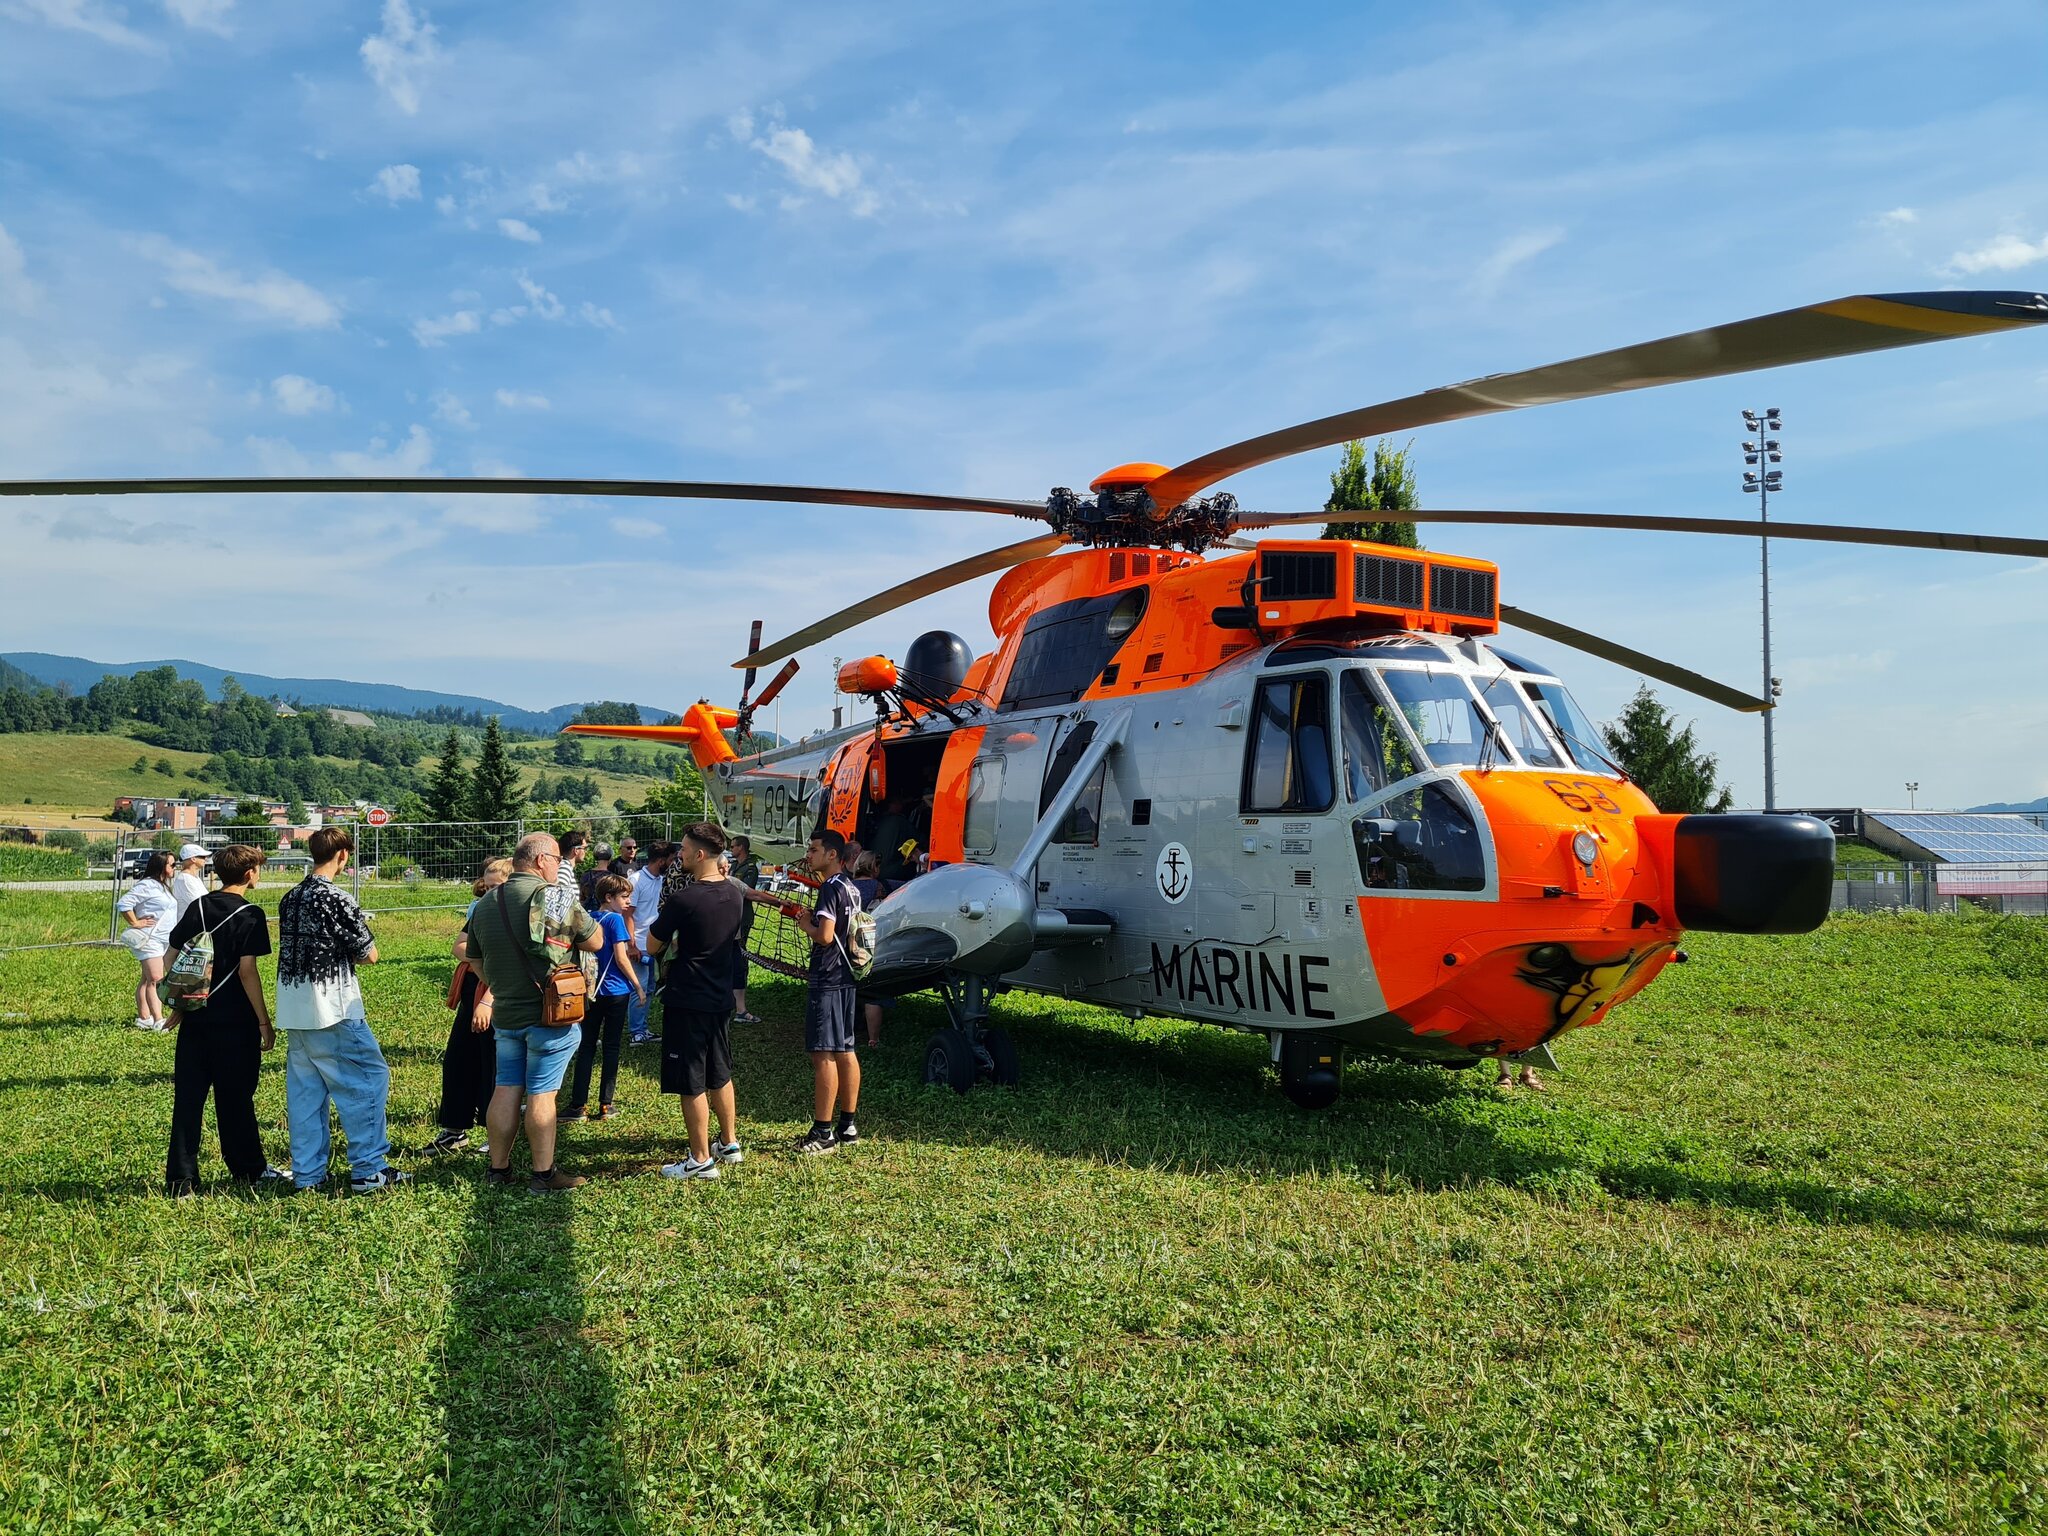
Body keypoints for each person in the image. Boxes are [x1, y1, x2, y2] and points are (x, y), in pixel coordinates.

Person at [463, 832, 604, 1193]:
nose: (560, 867)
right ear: (542, 860)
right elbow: (595, 940)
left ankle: (498, 1169)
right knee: (542, 1094)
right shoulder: (555, 897)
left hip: (506, 1015)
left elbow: (472, 956)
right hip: (550, 1016)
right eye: (558, 860)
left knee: (506, 1088)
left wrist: (497, 982)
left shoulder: (485, 904)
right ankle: (543, 1175)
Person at [275, 826, 408, 1195]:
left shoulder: (290, 897)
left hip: (294, 1005)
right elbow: (369, 954)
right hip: (331, 1004)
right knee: (368, 1078)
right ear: (343, 855)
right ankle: (368, 1169)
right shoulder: (337, 898)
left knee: (306, 1094)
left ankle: (308, 1174)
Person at [163, 844, 286, 1194]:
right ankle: (248, 1169)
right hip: (236, 1021)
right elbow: (247, 971)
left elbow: (171, 956)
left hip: (196, 1018)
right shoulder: (251, 914)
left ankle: (181, 1180)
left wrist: (180, 1003)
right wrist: (264, 1021)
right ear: (250, 874)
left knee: (189, 1100)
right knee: (235, 1099)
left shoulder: (199, 906)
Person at [647, 822, 746, 1179]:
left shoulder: (684, 898)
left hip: (688, 998)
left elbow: (652, 945)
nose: (680, 855)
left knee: (691, 1081)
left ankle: (700, 1159)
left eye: (685, 850)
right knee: (720, 1073)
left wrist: (676, 941)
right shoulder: (734, 894)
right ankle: (729, 1143)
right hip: (720, 998)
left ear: (700, 855)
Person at [775, 828, 862, 1155]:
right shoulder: (851, 887)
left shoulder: (829, 887)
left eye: (813, 850)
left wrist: (804, 922)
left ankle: (823, 1131)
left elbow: (824, 936)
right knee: (845, 1049)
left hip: (827, 977)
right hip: (847, 975)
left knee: (822, 1052)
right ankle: (848, 1125)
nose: (808, 856)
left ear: (832, 855)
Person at [429, 857, 511, 1154]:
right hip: (471, 994)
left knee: (493, 1067)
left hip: (494, 999)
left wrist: (488, 998)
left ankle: (497, 1134)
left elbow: (509, 965)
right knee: (458, 1061)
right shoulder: (483, 911)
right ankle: (454, 1129)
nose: (489, 893)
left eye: (497, 887)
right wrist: (480, 962)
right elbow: (459, 946)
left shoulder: (514, 914)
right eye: (486, 887)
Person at [561, 873, 644, 1123]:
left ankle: (578, 1105)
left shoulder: (590, 918)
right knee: (611, 1047)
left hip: (591, 992)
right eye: (624, 897)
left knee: (586, 1047)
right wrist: (638, 986)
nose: (628, 902)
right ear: (609, 898)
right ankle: (606, 1104)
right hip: (616, 992)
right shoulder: (616, 920)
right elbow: (621, 957)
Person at [117, 850, 179, 1032]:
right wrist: (136, 922)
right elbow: (123, 904)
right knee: (156, 979)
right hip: (149, 939)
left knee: (146, 979)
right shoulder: (147, 885)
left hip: (162, 939)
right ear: (161, 866)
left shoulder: (162, 886)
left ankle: (144, 1017)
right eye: (172, 865)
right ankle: (159, 1020)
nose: (175, 868)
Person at [626, 842, 672, 1044]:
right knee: (640, 988)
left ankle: (642, 1028)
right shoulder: (636, 880)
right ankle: (636, 1032)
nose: (673, 863)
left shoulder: (662, 880)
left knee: (650, 987)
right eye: (670, 860)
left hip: (655, 944)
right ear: (661, 861)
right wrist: (631, 945)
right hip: (639, 945)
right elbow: (627, 914)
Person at [850, 851, 889, 1048]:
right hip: (867, 939)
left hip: (846, 940)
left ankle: (843, 1035)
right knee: (873, 992)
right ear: (874, 867)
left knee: (847, 989)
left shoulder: (848, 885)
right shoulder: (878, 887)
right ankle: (874, 1040)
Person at [729, 835, 763, 1024]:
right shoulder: (734, 866)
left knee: (739, 958)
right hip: (731, 916)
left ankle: (740, 1007)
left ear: (741, 848)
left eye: (733, 846)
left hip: (742, 918)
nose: (731, 849)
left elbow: (746, 891)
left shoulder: (750, 868)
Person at [171, 843, 210, 924]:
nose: (205, 859)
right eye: (202, 857)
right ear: (193, 859)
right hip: (188, 929)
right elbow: (200, 905)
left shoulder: (194, 877)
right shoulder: (185, 880)